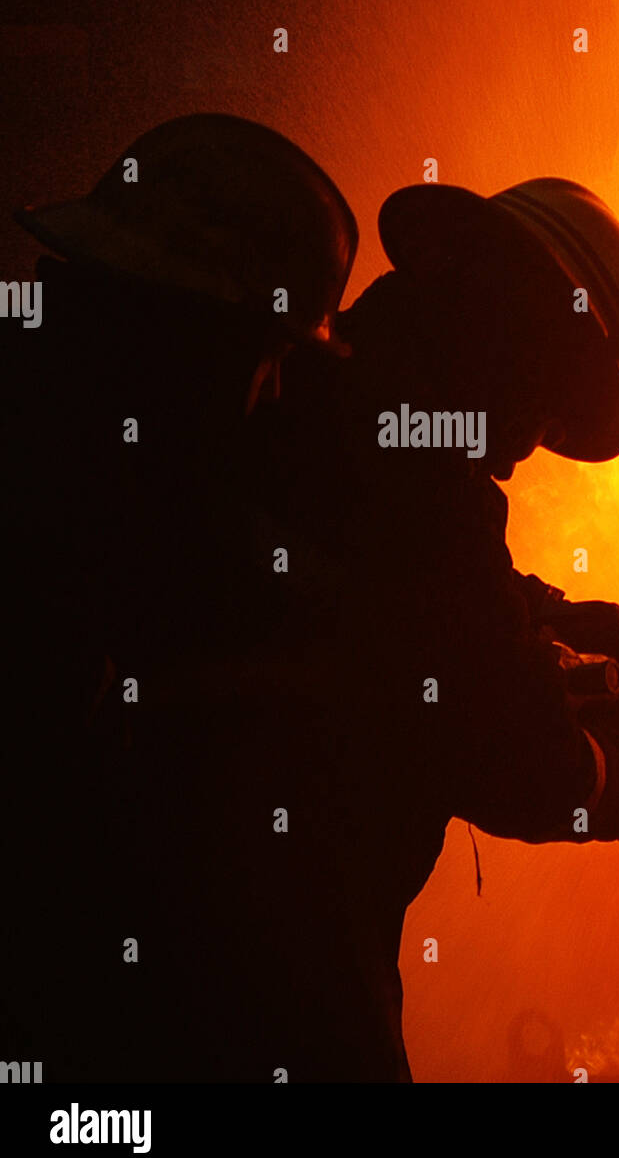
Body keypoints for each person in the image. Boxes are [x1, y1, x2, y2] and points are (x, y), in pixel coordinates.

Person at [246, 175, 619, 1081]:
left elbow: (455, 606)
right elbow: (528, 765)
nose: (528, 442)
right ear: (510, 328)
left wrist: (598, 627)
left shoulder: (322, 390)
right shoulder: (417, 489)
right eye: (547, 398)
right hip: (267, 999)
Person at [0, 113, 357, 1080]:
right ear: (193, 335)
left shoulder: (84, 440)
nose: (275, 394)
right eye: (268, 357)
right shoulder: (63, 509)